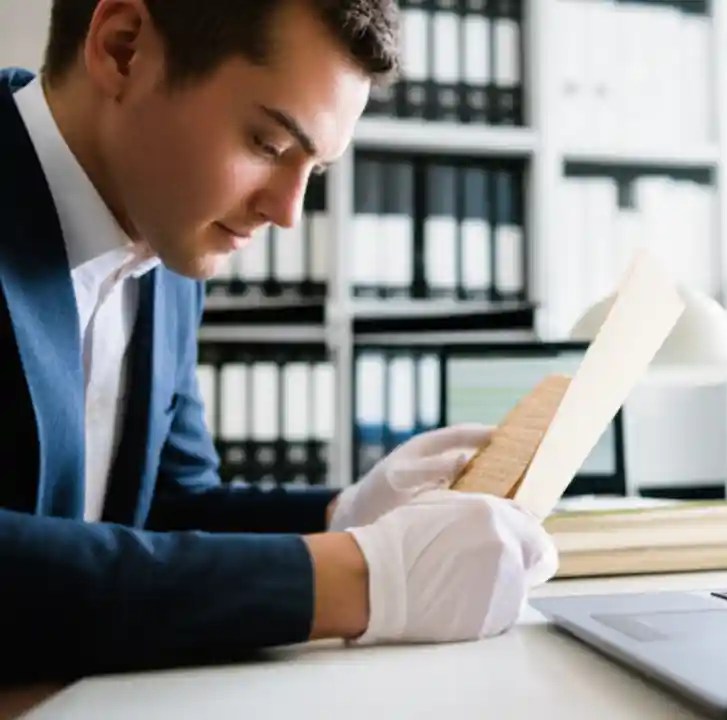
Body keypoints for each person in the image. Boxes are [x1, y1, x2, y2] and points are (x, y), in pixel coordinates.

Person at [0, 0, 557, 679]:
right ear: (122, 49)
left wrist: (348, 514)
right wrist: (357, 579)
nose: (287, 213)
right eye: (267, 145)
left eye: (313, 169)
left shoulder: (165, 235)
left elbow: (168, 510)